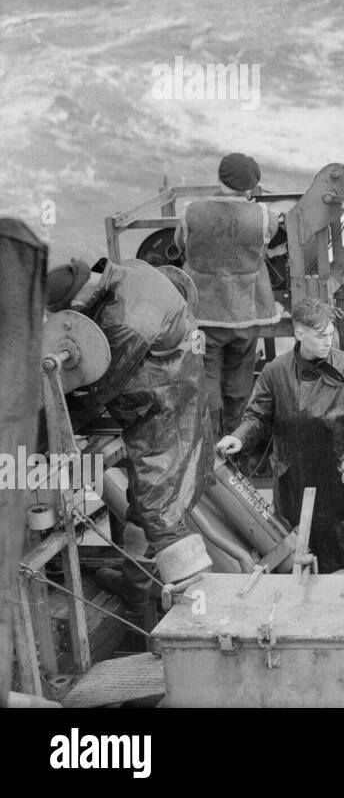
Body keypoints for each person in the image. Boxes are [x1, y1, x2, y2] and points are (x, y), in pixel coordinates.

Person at [46, 256, 214, 627]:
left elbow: (99, 391)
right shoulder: (127, 271)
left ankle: (195, 621)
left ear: (76, 302)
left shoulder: (123, 326)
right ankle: (135, 588)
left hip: (162, 408)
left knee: (160, 511)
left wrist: (48, 427)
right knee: (143, 503)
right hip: (181, 386)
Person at [215, 298, 344, 573]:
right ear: (300, 334)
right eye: (320, 336)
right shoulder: (275, 372)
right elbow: (257, 416)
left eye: (330, 334)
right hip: (295, 479)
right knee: (298, 546)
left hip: (342, 478)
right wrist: (240, 438)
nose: (328, 341)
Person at [176, 152, 280, 440]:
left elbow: (181, 247)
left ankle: (207, 442)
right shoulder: (264, 217)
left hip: (203, 314)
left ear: (219, 178)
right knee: (240, 380)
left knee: (205, 375)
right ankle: (234, 440)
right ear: (252, 186)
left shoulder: (191, 212)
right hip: (245, 314)